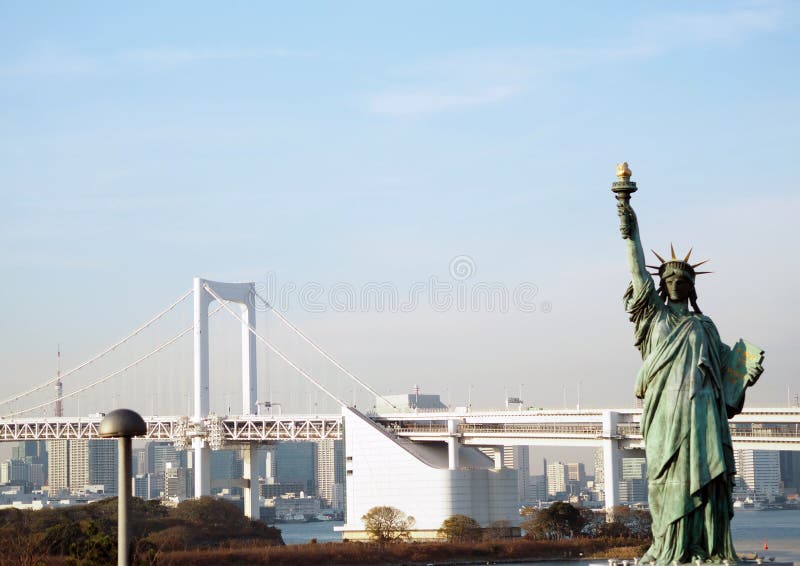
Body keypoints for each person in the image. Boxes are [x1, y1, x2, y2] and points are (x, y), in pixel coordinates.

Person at [617, 198, 763, 564]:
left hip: (702, 414)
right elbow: (637, 273)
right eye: (670, 279)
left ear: (692, 286)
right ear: (662, 286)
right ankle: (669, 547)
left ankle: (705, 547)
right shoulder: (652, 317)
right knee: (665, 481)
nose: (677, 283)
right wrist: (628, 222)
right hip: (665, 413)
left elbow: (728, 373)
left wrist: (746, 374)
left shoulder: (705, 326)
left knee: (708, 481)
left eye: (683, 280)